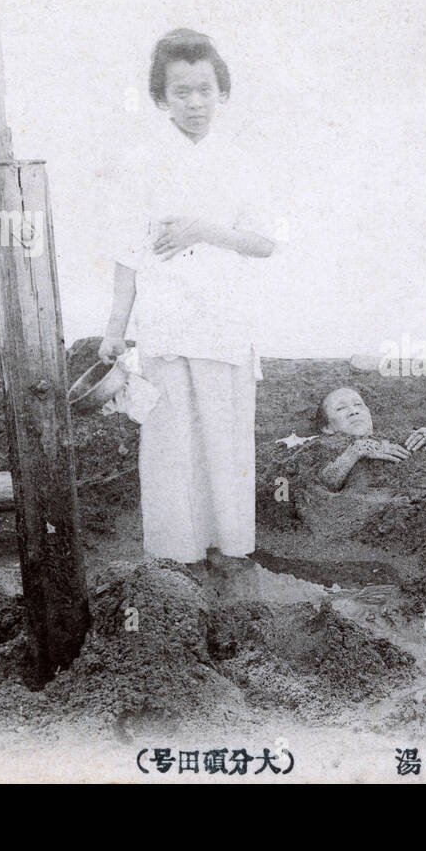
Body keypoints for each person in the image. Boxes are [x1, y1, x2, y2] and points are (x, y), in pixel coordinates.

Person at [99, 28, 281, 564]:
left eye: (204, 89)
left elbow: (265, 242)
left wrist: (203, 229)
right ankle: (175, 558)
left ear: (221, 91)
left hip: (225, 325)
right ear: (161, 97)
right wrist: (115, 330)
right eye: (182, 91)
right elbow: (127, 254)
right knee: (170, 444)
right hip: (167, 327)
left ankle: (231, 551)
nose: (195, 102)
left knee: (224, 443)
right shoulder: (140, 164)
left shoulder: (243, 162)